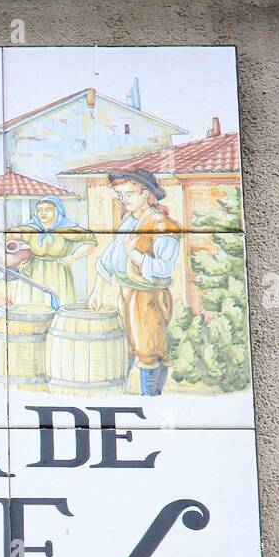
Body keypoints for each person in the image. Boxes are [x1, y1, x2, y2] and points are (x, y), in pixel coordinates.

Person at [87, 168, 182, 395]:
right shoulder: (128, 222)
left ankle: (151, 398)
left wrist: (135, 255)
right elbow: (110, 257)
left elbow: (163, 269)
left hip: (149, 298)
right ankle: (129, 395)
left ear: (145, 194)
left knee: (148, 349)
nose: (123, 200)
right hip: (127, 294)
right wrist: (98, 290)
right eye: (121, 195)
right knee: (129, 346)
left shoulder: (162, 226)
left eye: (128, 194)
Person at [7, 195, 96, 305]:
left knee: (59, 306)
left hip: (58, 272)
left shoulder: (67, 228)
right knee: (32, 306)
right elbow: (11, 236)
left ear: (58, 210)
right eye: (39, 210)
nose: (42, 213)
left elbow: (91, 242)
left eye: (47, 210)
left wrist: (73, 258)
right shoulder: (30, 228)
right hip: (33, 271)